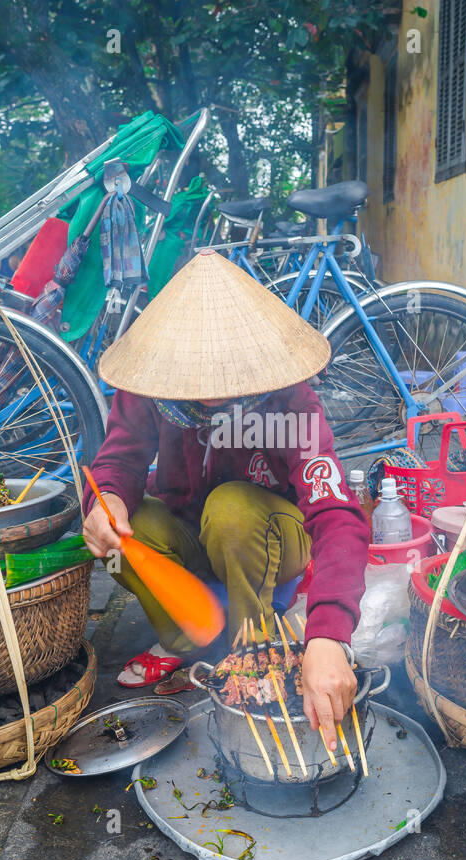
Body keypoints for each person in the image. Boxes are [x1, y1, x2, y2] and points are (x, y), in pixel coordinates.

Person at [82, 249, 370, 749]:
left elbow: (337, 514)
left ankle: (254, 647)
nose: (210, 392)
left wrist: (329, 635)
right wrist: (106, 500)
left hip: (270, 537)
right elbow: (119, 460)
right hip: (193, 535)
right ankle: (188, 640)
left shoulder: (289, 398)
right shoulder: (149, 386)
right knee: (126, 535)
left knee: (232, 506)